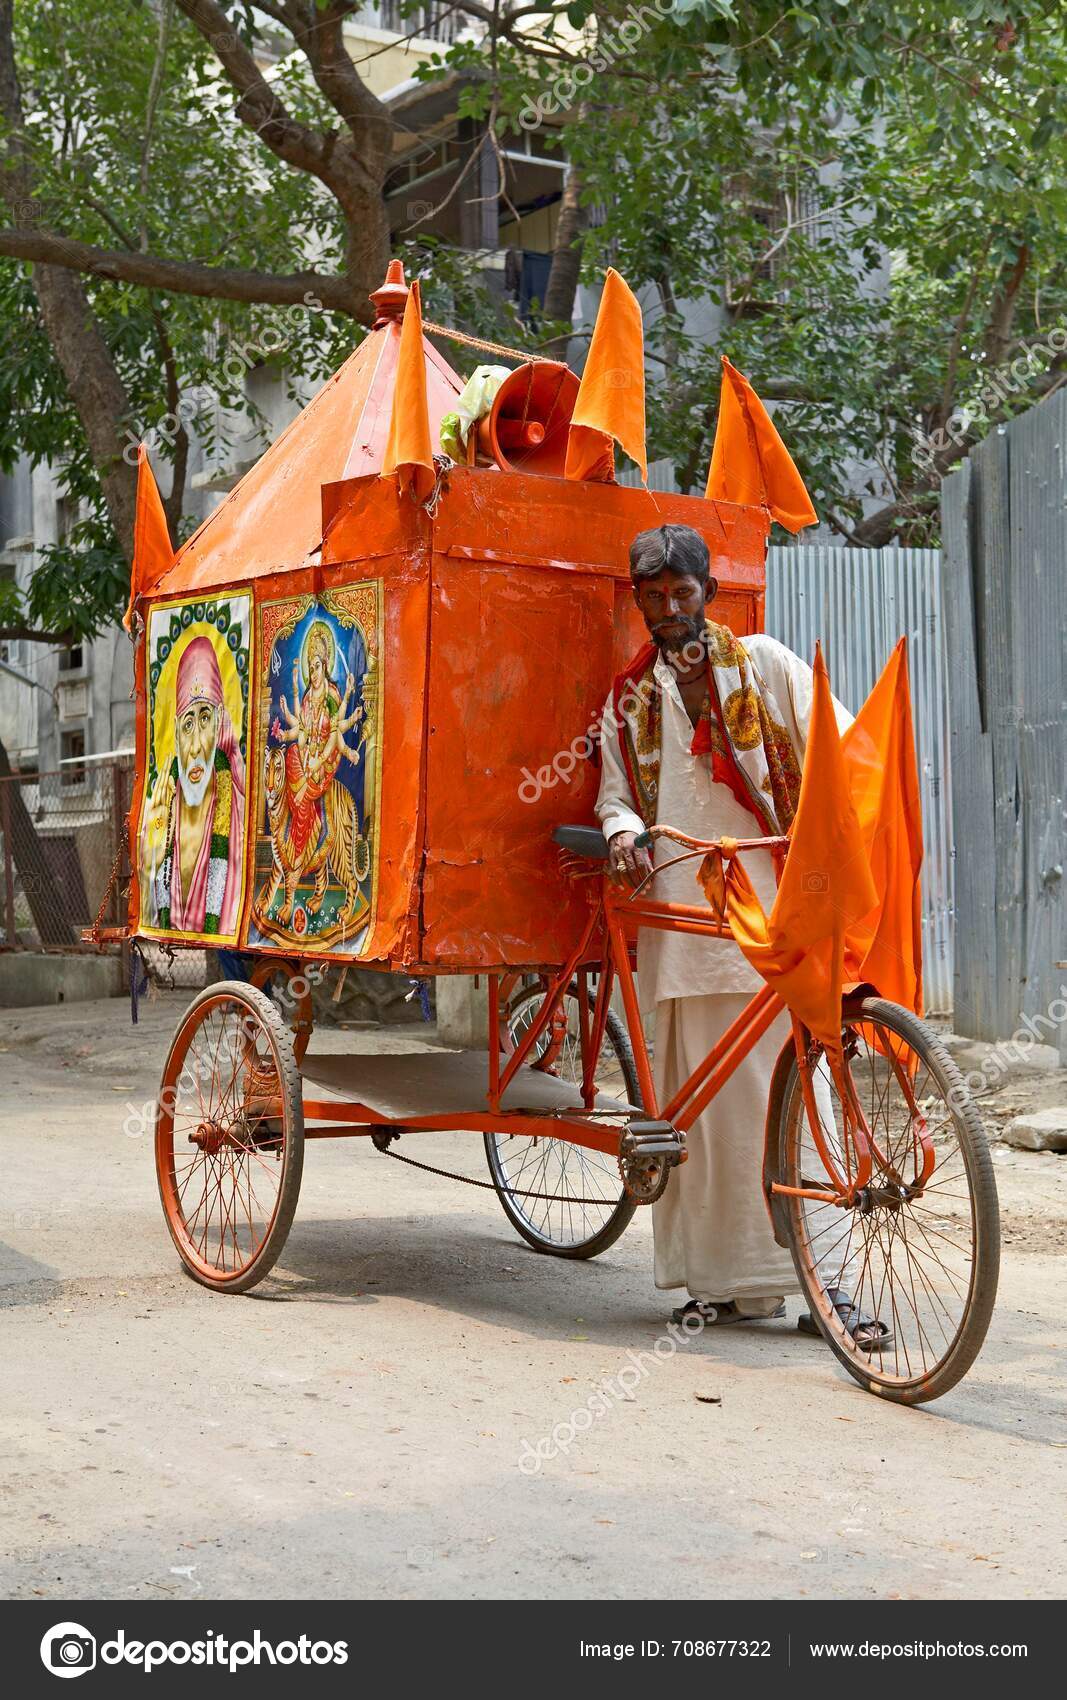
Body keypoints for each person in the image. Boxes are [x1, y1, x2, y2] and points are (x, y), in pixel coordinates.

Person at [596, 523, 883, 1341]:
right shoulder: (629, 698)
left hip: (773, 924)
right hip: (679, 926)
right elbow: (615, 797)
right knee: (700, 1124)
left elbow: (838, 746)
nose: (666, 612)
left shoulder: (764, 664)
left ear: (707, 596)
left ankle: (823, 1287)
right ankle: (717, 1286)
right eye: (651, 599)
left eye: (680, 595)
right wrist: (620, 833)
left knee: (798, 1105)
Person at [143, 635, 246, 936]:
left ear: (220, 723)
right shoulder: (165, 805)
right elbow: (147, 874)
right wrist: (159, 819)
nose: (197, 745)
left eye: (205, 719)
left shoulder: (236, 803)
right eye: (188, 724)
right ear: (175, 734)